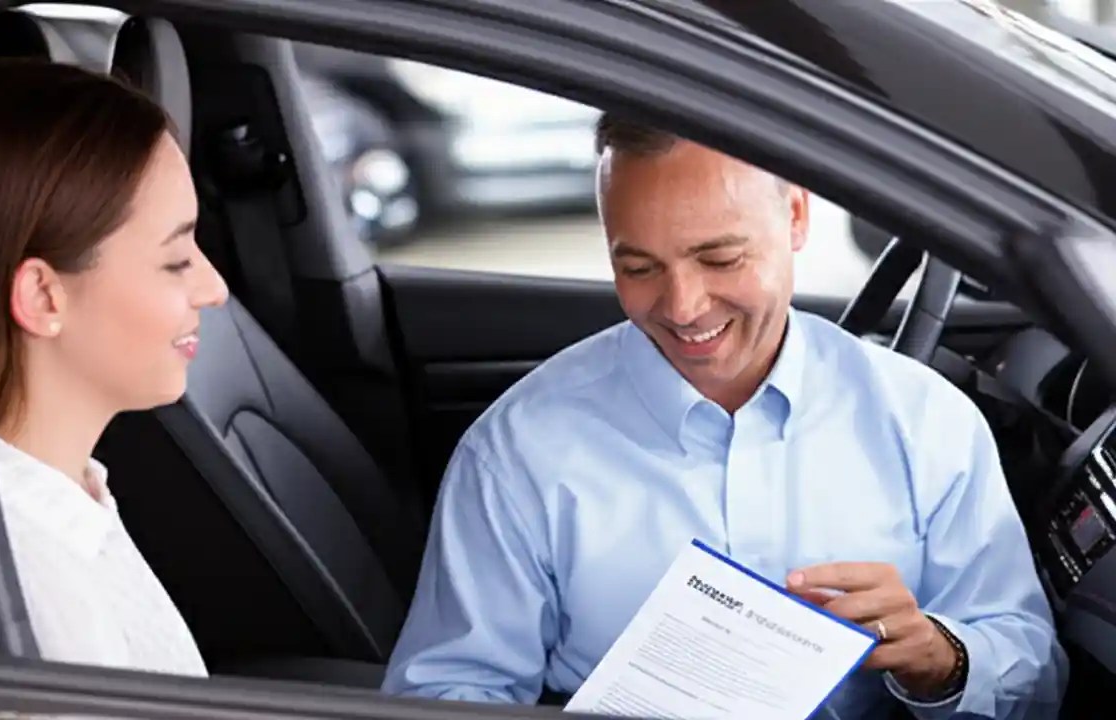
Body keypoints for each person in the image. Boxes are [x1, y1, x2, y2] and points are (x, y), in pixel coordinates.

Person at [382, 116, 1067, 718]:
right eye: (639, 266)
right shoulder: (519, 449)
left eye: (720, 258)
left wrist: (938, 657)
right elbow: (443, 693)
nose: (682, 306)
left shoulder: (923, 420)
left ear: (796, 217)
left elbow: (1032, 667)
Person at [0, 59, 228, 675]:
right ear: (43, 297)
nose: (215, 288)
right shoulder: (26, 583)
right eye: (177, 260)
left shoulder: (61, 507)